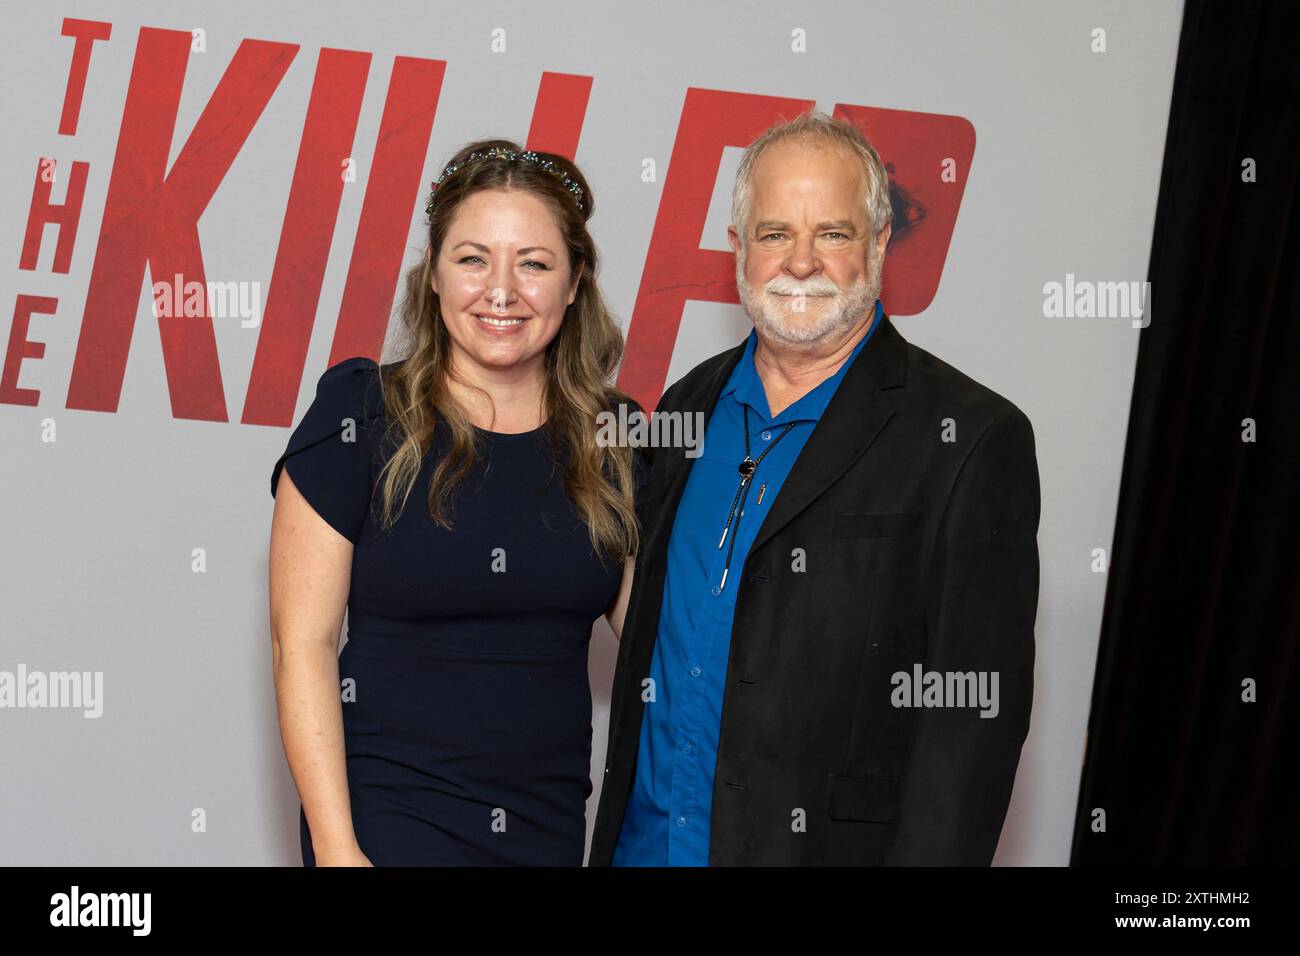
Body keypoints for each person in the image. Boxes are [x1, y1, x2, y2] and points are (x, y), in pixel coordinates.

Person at [590, 110, 1041, 866]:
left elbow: (971, 727)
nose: (800, 263)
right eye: (774, 234)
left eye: (831, 233)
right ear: (738, 249)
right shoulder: (686, 408)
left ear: (878, 243)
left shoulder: (968, 438)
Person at [269, 139, 646, 866]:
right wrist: (339, 850)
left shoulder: (617, 440)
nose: (500, 290)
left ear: (573, 285)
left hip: (550, 831)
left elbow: (656, 646)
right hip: (388, 825)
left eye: (534, 263)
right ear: (434, 276)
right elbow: (302, 648)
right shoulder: (359, 416)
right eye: (473, 258)